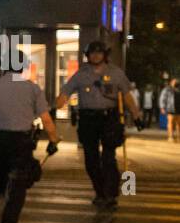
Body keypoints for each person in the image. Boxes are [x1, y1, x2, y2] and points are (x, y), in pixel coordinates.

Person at [0, 53, 60, 223]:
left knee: (3, 173)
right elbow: (46, 120)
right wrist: (53, 139)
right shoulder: (33, 89)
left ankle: (2, 193)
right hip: (21, 141)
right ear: (23, 67)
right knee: (19, 181)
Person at [53, 41, 143, 208]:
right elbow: (65, 93)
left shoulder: (116, 73)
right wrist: (54, 108)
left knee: (108, 158)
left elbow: (127, 95)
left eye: (99, 52)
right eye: (92, 53)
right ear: (87, 55)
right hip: (88, 120)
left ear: (105, 55)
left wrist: (136, 116)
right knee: (91, 160)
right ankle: (100, 192)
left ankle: (111, 194)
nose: (95, 55)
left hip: (109, 118)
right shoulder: (81, 74)